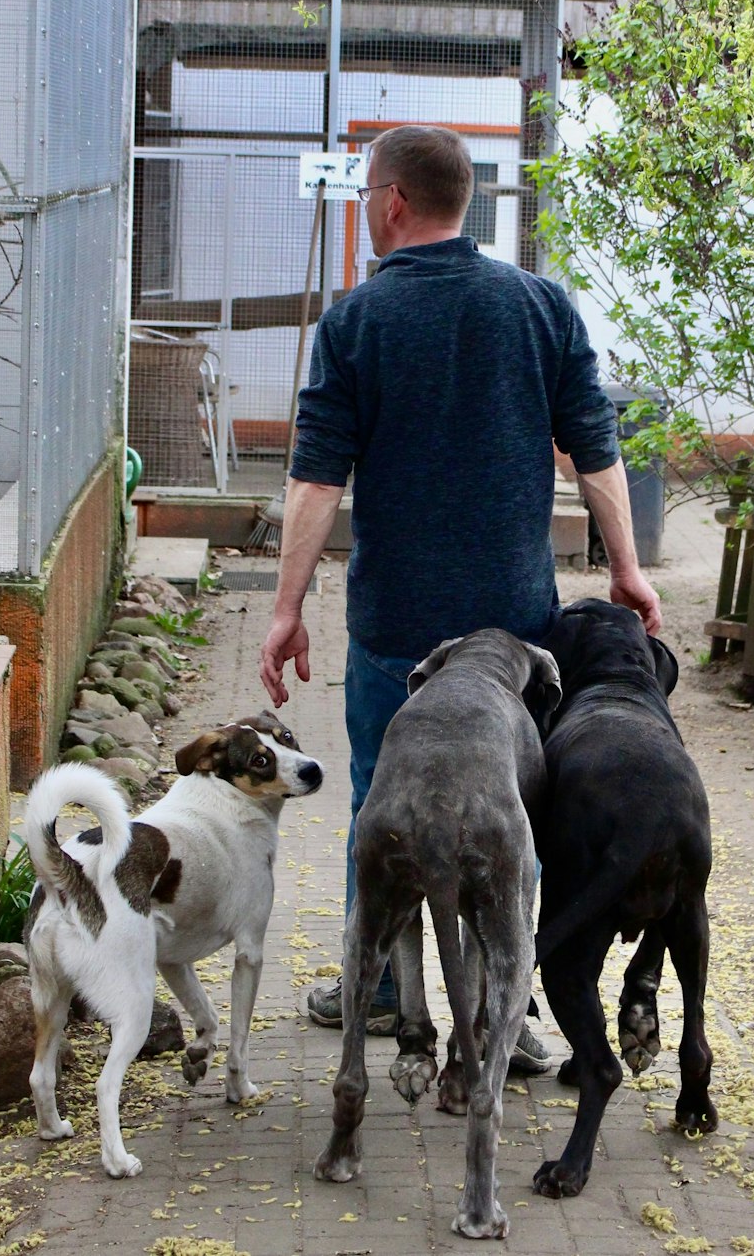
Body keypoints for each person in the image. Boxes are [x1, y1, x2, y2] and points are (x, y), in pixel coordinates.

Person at [258, 124, 661, 1074]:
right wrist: (627, 569)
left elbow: (316, 482)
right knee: (507, 813)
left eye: (367, 195)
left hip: (397, 626)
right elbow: (595, 446)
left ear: (395, 202)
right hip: (515, 637)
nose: (365, 211)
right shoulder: (539, 305)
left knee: (378, 804)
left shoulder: (356, 321)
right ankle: (504, 1008)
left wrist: (286, 608)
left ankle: (389, 989)